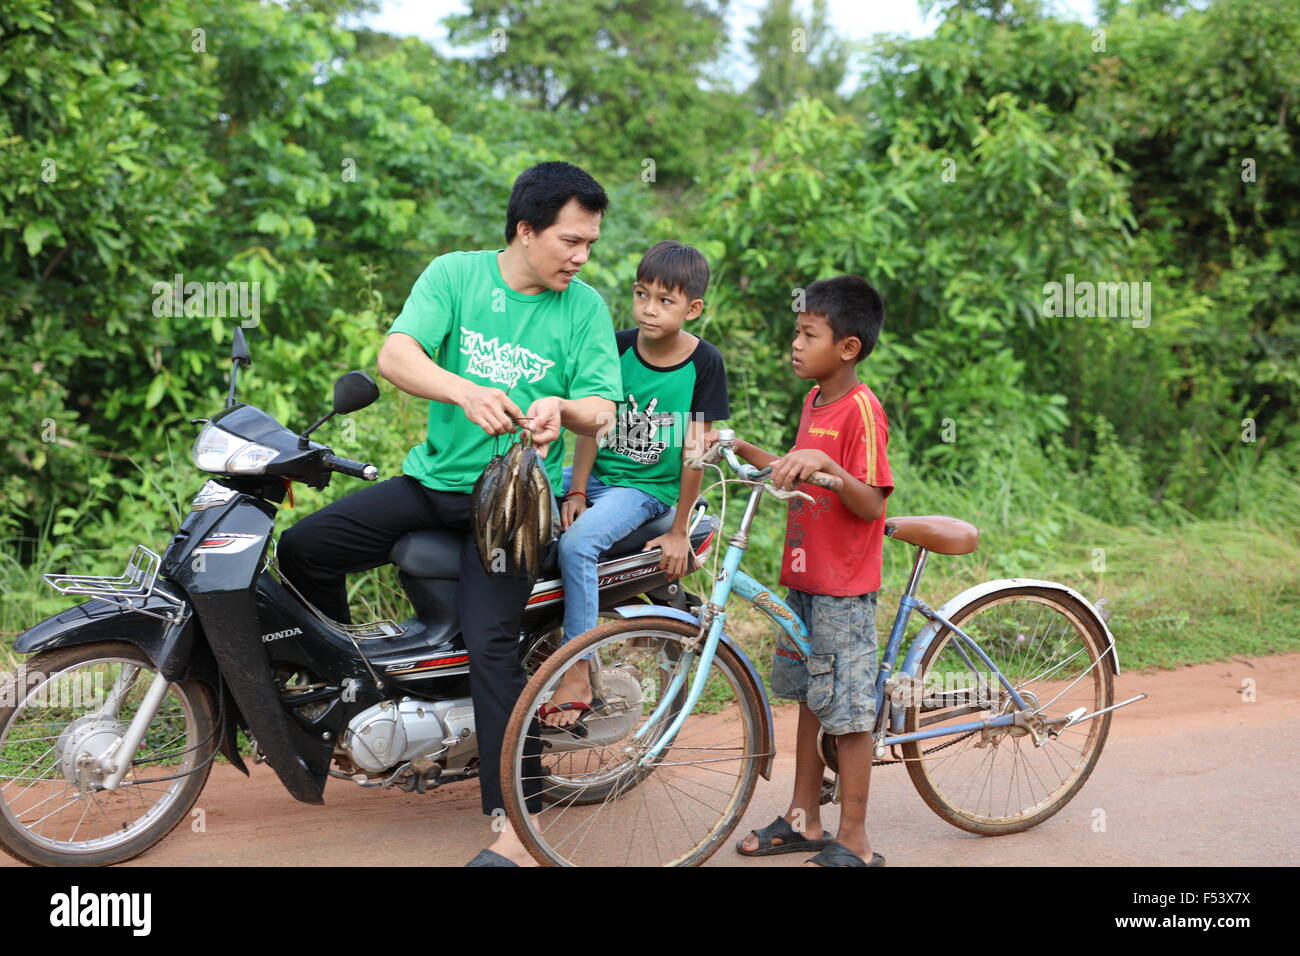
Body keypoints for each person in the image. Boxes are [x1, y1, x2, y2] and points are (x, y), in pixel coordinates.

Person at [277, 161, 622, 867]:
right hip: (435, 482)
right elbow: (396, 354)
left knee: (490, 644)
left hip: (514, 508)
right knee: (305, 548)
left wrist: (562, 408)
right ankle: (349, 689)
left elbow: (604, 411)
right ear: (525, 231)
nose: (581, 256)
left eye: (589, 243)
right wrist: (464, 391)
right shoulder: (456, 277)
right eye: (570, 240)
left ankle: (516, 822)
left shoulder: (582, 307)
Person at [729, 274, 892, 867]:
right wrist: (745, 449)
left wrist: (827, 463)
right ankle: (805, 817)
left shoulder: (861, 410)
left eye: (807, 334)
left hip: (844, 588)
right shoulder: (814, 401)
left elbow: (871, 502)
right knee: (808, 699)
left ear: (847, 347)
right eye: (795, 333)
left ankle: (855, 838)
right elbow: (799, 468)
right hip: (804, 578)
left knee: (848, 713)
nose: (795, 344)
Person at [540, 240, 730, 730]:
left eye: (664, 301)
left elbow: (695, 455)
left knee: (579, 544)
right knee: (519, 495)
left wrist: (680, 530)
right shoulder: (618, 344)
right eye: (641, 294)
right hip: (598, 477)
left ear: (693, 308)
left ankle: (577, 669)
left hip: (646, 490)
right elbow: (591, 423)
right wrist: (577, 490)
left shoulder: (704, 363)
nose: (648, 309)